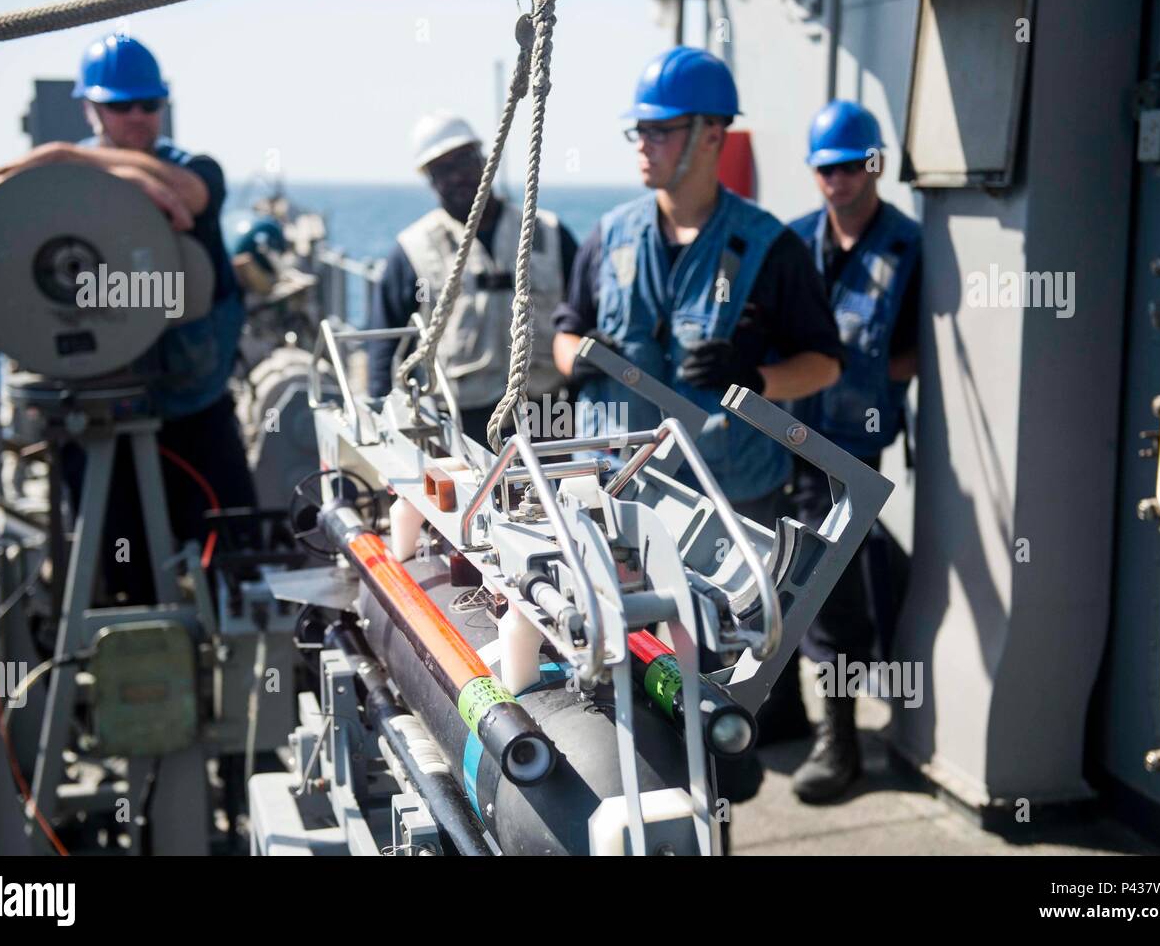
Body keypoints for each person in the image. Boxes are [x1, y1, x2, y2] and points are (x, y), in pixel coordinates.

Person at [0, 33, 256, 602]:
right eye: (119, 106)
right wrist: (89, 174)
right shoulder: (63, 183)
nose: (136, 117)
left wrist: (69, 157)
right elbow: (1, 204)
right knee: (118, 571)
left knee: (236, 553)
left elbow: (191, 194)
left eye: (147, 104)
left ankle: (243, 666)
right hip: (98, 410)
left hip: (193, 406)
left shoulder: (194, 168)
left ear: (164, 106)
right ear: (91, 108)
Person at [552, 47, 843, 529]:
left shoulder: (770, 247)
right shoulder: (609, 235)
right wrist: (576, 357)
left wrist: (759, 380)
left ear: (712, 134)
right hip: (617, 486)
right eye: (639, 131)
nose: (644, 144)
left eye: (660, 131)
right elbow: (566, 330)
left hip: (730, 504)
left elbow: (826, 364)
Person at [781, 99, 922, 803]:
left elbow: (915, 350)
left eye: (851, 166)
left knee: (827, 584)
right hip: (783, 436)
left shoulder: (908, 248)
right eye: (825, 168)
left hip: (852, 450)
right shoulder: (793, 242)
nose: (838, 180)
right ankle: (782, 705)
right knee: (779, 567)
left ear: (877, 166)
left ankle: (841, 743)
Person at [365, 112, 579, 444]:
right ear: (430, 178)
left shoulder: (549, 234)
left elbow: (581, 317)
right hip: (460, 418)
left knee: (555, 492)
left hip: (546, 409)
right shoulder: (411, 251)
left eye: (464, 160)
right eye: (443, 169)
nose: (458, 176)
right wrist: (382, 424)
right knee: (474, 496)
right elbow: (384, 345)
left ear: (484, 159)